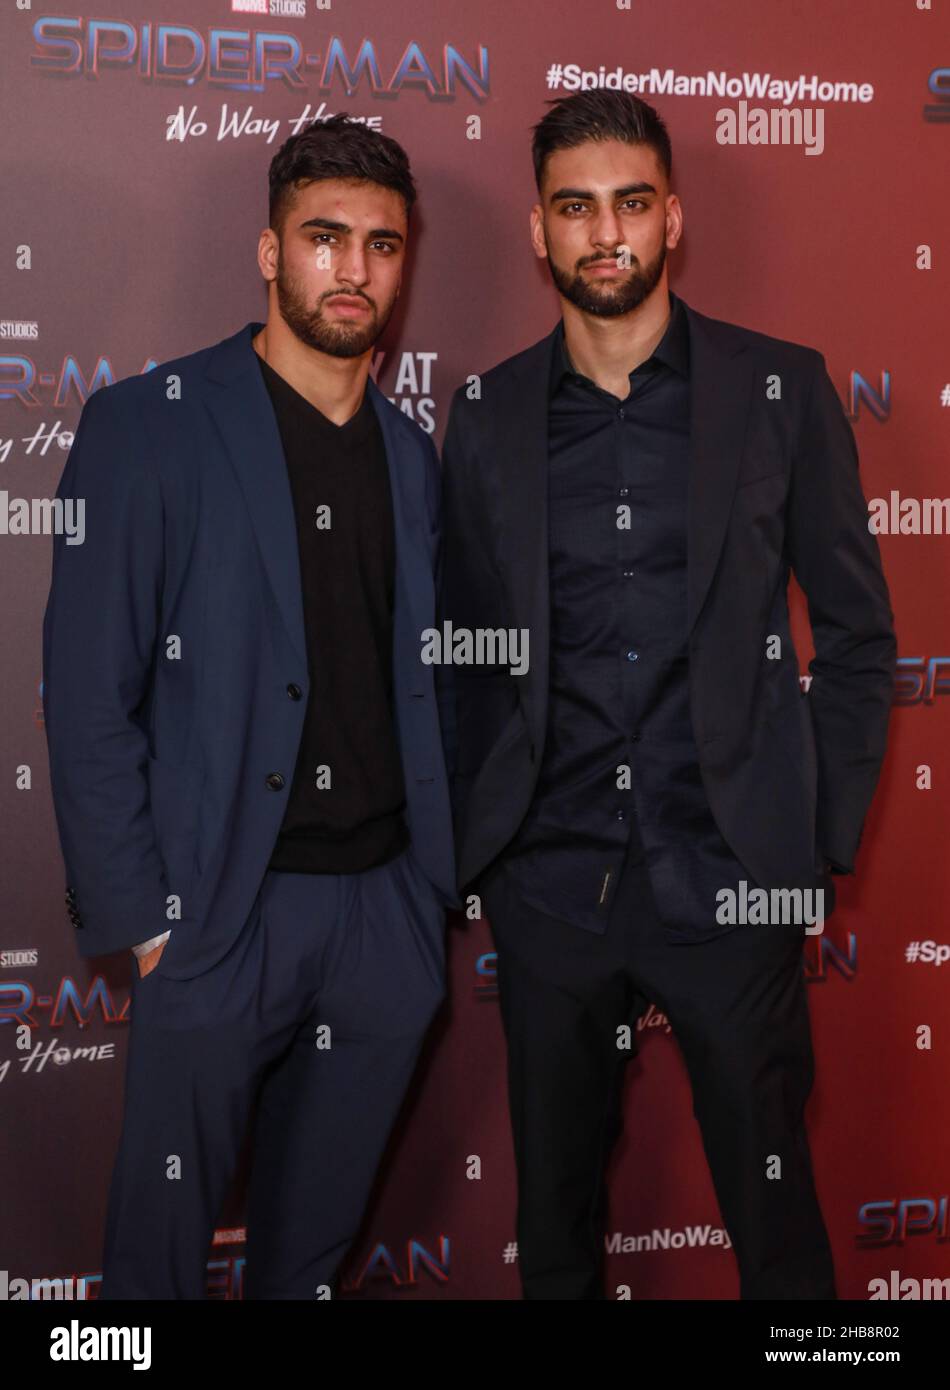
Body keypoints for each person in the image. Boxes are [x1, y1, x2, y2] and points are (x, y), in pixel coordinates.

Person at [440, 89, 896, 1300]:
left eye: (629, 205)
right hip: (550, 885)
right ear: (538, 232)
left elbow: (856, 637)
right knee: (553, 1235)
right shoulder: (482, 417)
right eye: (575, 208)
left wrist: (810, 844)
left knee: (775, 1226)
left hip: (732, 878)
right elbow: (463, 649)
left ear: (671, 219)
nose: (605, 234)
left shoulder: (779, 391)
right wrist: (479, 842)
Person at [42, 114, 456, 1300]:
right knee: (154, 1269)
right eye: (324, 238)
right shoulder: (146, 427)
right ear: (269, 253)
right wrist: (150, 930)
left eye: (381, 244)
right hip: (217, 917)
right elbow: (83, 698)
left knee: (307, 1260)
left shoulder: (408, 453)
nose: (354, 268)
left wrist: (426, 902)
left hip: (382, 919)